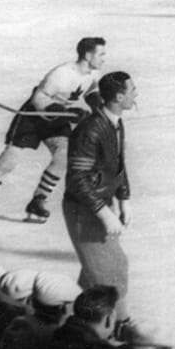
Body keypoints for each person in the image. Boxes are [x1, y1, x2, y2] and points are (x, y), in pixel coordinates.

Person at [0, 37, 107, 226]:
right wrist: (67, 112)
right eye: (101, 54)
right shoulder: (62, 73)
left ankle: (38, 200)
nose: (104, 58)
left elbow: (90, 91)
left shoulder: (91, 73)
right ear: (88, 55)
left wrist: (99, 110)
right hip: (32, 118)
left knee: (63, 156)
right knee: (9, 162)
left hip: (57, 120)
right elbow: (38, 99)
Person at [62, 71, 134, 317]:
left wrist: (124, 199)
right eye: (132, 90)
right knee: (110, 276)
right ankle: (114, 328)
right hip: (84, 208)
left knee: (97, 274)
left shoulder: (114, 121)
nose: (136, 94)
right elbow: (77, 178)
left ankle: (77, 322)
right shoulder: (91, 129)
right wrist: (104, 214)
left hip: (99, 202)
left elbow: (117, 164)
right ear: (118, 96)